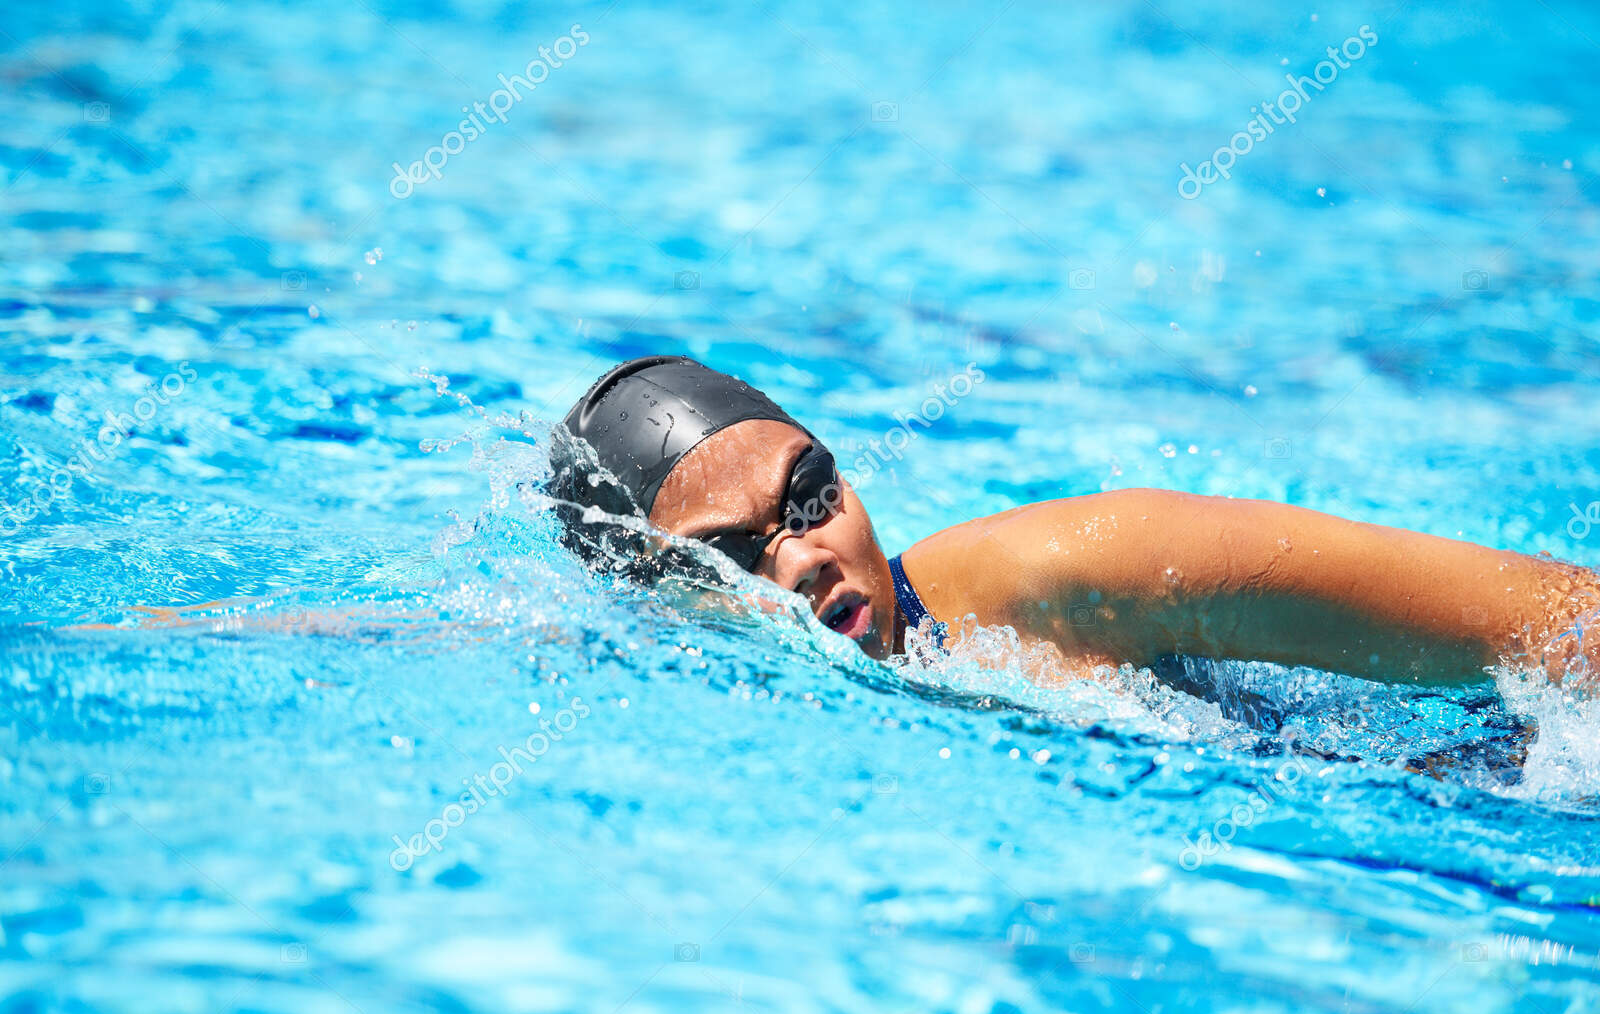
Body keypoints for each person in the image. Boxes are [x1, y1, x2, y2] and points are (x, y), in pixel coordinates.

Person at [548, 355, 1598, 688]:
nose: (808, 556)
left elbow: (1555, 623)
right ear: (657, 603)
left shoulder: (1074, 574)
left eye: (810, 494)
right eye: (733, 553)